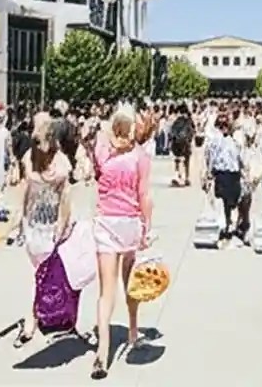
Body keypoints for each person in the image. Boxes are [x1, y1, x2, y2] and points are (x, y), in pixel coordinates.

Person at [88, 106, 155, 380]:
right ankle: (133, 331)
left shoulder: (102, 154)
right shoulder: (140, 157)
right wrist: (146, 228)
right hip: (129, 222)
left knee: (106, 292)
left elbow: (99, 139)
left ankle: (102, 352)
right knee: (130, 281)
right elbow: (145, 195)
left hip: (106, 222)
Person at [12, 120, 72, 347]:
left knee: (45, 274)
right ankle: (51, 313)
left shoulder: (61, 162)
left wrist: (63, 225)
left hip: (52, 225)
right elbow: (25, 189)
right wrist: (20, 219)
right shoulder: (29, 157)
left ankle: (34, 318)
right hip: (33, 224)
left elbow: (66, 197)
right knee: (42, 272)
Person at [205, 113, 245, 243]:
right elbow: (239, 157)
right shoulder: (230, 141)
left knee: (226, 201)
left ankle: (228, 224)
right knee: (228, 201)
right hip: (228, 173)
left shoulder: (218, 141)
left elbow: (211, 158)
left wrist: (209, 172)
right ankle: (228, 225)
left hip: (226, 173)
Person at [168, 106, 195, 187]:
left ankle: (178, 176)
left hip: (177, 144)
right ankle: (186, 178)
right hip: (186, 144)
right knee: (186, 162)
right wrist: (189, 140)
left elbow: (172, 132)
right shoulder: (189, 121)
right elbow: (192, 132)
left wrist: (174, 139)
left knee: (178, 161)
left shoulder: (177, 121)